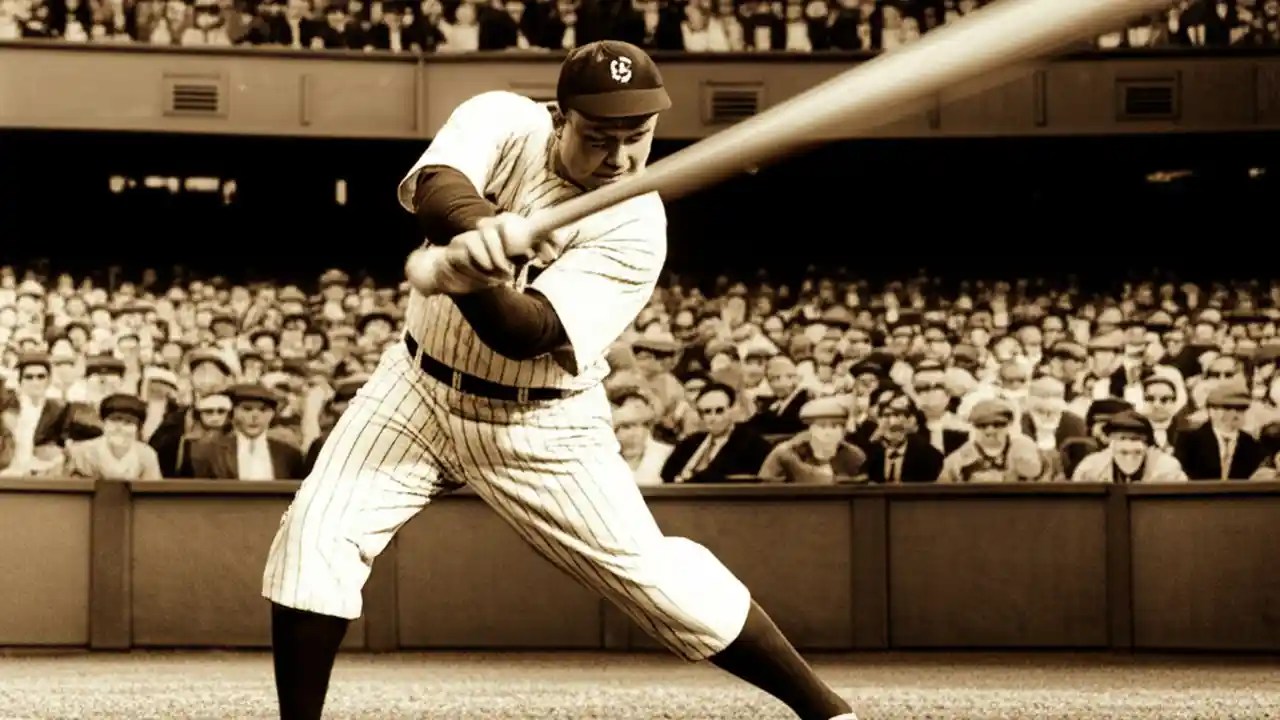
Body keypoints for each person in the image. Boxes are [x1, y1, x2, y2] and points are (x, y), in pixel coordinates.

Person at [261, 40, 856, 720]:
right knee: (317, 534)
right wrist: (480, 226)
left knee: (660, 585)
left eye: (637, 137)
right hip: (415, 388)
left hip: (538, 422)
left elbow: (524, 333)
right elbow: (436, 188)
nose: (620, 157)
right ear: (559, 117)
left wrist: (471, 278)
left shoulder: (638, 221)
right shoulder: (504, 119)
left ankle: (829, 711)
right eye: (599, 137)